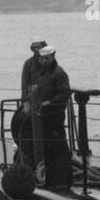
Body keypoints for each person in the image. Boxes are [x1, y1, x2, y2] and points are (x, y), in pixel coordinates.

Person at [32, 45, 72, 190]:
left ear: (53, 56)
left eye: (46, 58)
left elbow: (65, 93)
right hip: (45, 115)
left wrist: (51, 102)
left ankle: (64, 181)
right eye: (41, 58)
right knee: (48, 149)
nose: (43, 61)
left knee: (59, 147)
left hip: (55, 115)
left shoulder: (59, 73)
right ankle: (51, 180)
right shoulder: (42, 74)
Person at [15, 38, 47, 168]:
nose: (36, 50)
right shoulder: (29, 64)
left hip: (49, 103)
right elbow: (24, 83)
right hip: (35, 104)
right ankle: (39, 163)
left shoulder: (49, 63)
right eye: (33, 47)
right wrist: (25, 102)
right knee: (37, 135)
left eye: (38, 47)